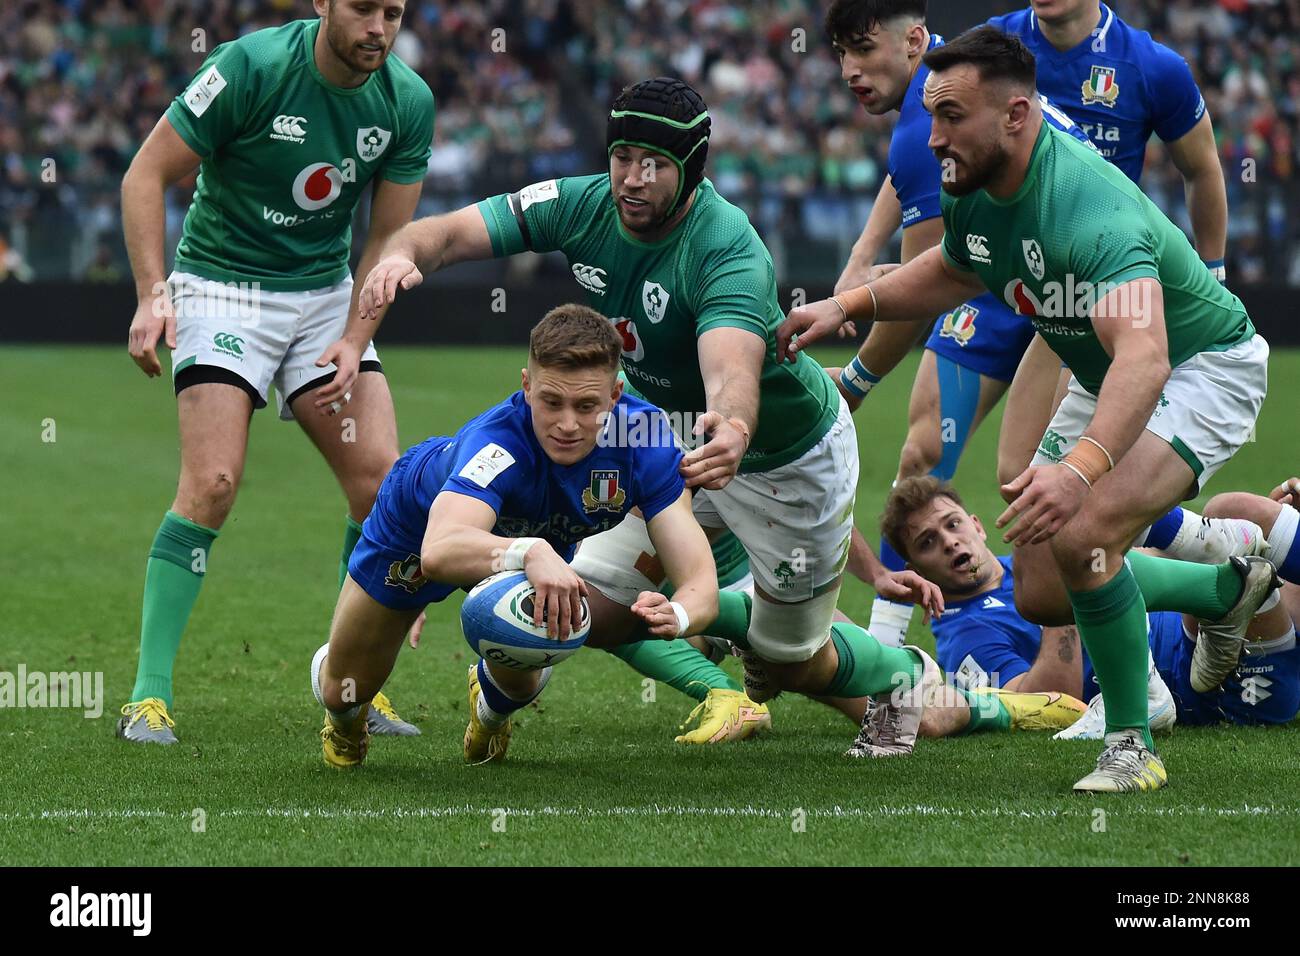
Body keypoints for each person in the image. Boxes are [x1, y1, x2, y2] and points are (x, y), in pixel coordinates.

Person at [356, 76, 945, 756]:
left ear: (690, 169)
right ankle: (499, 691)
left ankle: (902, 672)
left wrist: (731, 426)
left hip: (788, 456)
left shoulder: (725, 247)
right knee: (583, 608)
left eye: (655, 164)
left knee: (790, 661)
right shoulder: (581, 204)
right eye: (622, 157)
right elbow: (451, 232)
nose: (632, 179)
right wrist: (401, 255)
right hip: (659, 435)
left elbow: (731, 374)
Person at [779, 27, 1278, 791]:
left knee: (1084, 534)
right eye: (931, 114)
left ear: (1016, 115)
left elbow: (1146, 359)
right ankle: (1228, 588)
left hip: (1198, 368)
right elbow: (949, 269)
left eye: (951, 116)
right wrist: (845, 306)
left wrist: (1079, 470)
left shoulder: (1087, 208)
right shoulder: (975, 188)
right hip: (1105, 367)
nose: (934, 136)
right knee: (1045, 589)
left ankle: (1132, 743)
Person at [824, 0, 1231, 646]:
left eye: (860, 49)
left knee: (1063, 502)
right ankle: (891, 632)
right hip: (997, 276)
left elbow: (1202, 168)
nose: (849, 69)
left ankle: (1143, 651)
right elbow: (919, 197)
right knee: (943, 459)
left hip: (1088, 288)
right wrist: (856, 266)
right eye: (838, 55)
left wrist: (1213, 269)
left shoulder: (1152, 67)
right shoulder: (980, 59)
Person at [118, 0, 433, 743]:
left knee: (383, 486)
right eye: (362, 9)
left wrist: (356, 338)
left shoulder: (408, 101)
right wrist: (150, 296)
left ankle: (350, 681)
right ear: (322, 2)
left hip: (325, 298)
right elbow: (145, 174)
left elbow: (390, 240)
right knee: (213, 485)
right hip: (223, 290)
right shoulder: (249, 66)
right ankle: (147, 694)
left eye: (393, 12)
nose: (378, 29)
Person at [310, 305, 721, 766]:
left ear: (616, 394)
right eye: (551, 402)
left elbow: (700, 582)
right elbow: (440, 551)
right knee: (346, 688)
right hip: (418, 524)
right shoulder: (496, 443)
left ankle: (490, 713)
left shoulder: (645, 440)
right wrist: (528, 550)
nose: (567, 424)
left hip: (526, 545)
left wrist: (679, 614)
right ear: (526, 385)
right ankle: (344, 719)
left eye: (587, 406)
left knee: (521, 669)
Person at [880, 475, 1300, 735]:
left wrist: (1263, 542)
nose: (950, 541)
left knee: (1237, 513)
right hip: (1220, 684)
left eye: (952, 524)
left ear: (976, 526)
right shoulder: (965, 637)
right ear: (915, 568)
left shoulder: (1025, 567)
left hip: (1214, 625)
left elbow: (1157, 567)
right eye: (928, 542)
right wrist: (1071, 589)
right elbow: (1049, 698)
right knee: (1239, 527)